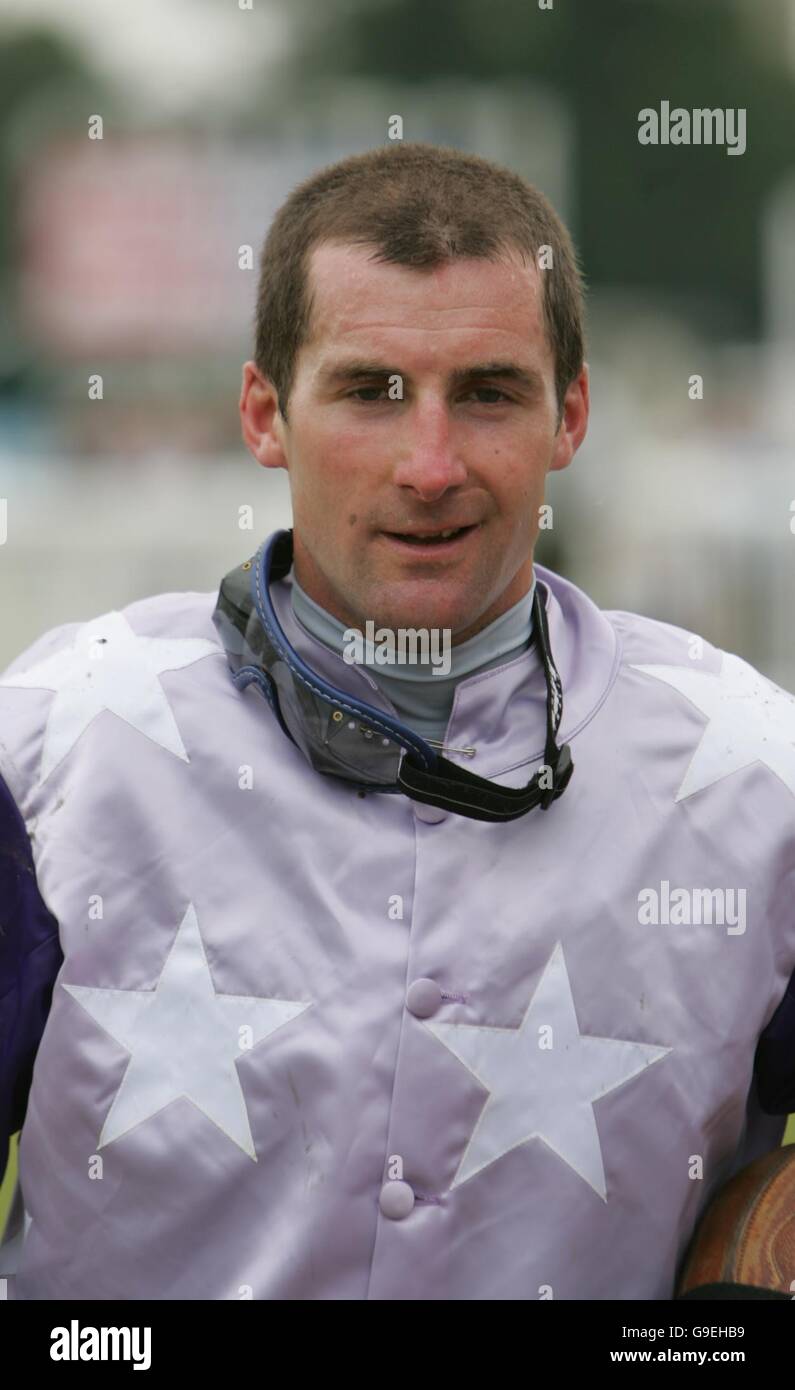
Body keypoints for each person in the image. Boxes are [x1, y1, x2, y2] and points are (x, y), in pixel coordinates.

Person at [1, 141, 794, 1301]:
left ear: (570, 416)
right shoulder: (51, 749)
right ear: (264, 413)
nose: (431, 466)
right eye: (371, 391)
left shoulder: (757, 778)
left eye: (488, 392)